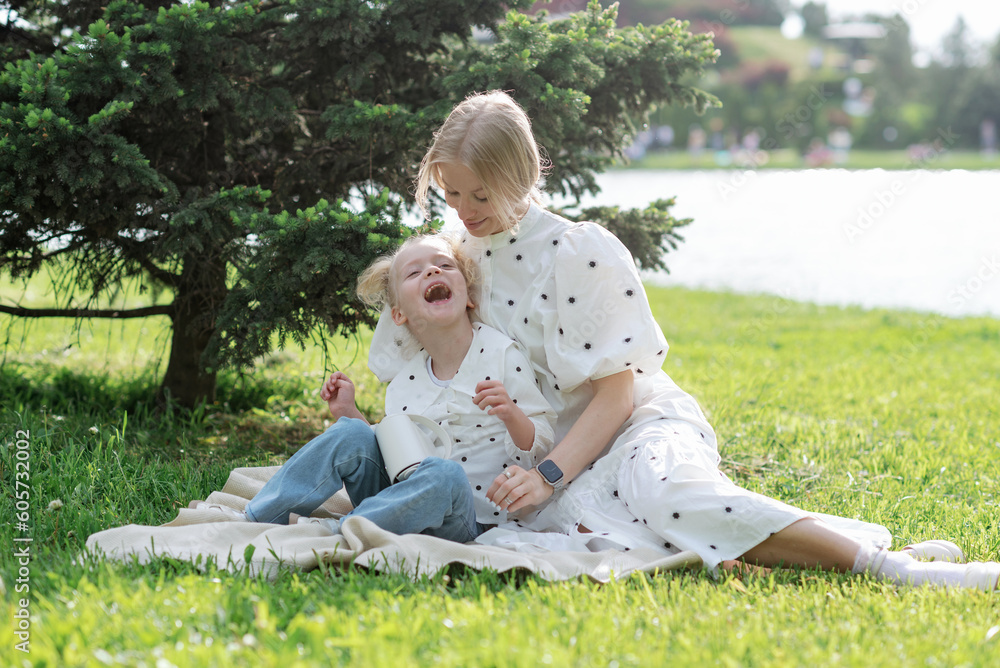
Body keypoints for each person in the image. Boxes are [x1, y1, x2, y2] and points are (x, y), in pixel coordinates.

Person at [369, 91, 1000, 590]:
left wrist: (552, 476)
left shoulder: (578, 251)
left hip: (633, 426)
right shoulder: (456, 260)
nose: (464, 209)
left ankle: (904, 573)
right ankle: (854, 540)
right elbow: (419, 365)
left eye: (481, 194)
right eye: (451, 194)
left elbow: (615, 397)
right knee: (649, 534)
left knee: (668, 497)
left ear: (523, 174)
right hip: (549, 457)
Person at [194, 234, 556, 543]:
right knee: (351, 432)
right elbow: (393, 456)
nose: (432, 271)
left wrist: (511, 412)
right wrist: (349, 414)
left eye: (445, 266)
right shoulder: (405, 383)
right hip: (397, 500)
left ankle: (337, 531)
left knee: (444, 473)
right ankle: (257, 517)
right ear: (399, 315)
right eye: (415, 272)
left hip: (467, 518)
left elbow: (539, 446)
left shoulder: (500, 354)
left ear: (469, 297)